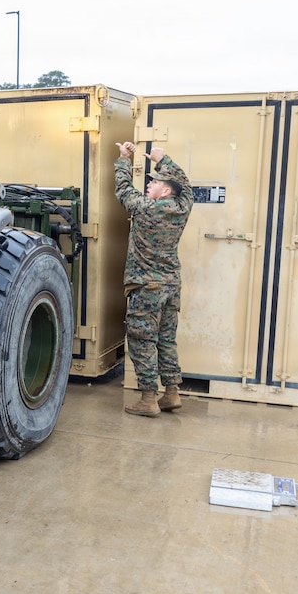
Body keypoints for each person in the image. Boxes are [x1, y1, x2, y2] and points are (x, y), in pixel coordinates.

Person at [114, 142, 193, 417]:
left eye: (155, 182)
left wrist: (124, 159)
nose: (149, 185)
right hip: (171, 286)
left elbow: (123, 189)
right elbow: (187, 187)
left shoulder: (145, 207)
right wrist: (163, 160)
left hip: (146, 286)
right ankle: (171, 393)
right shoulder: (182, 208)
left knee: (142, 340)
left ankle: (148, 398)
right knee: (166, 340)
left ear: (167, 191)